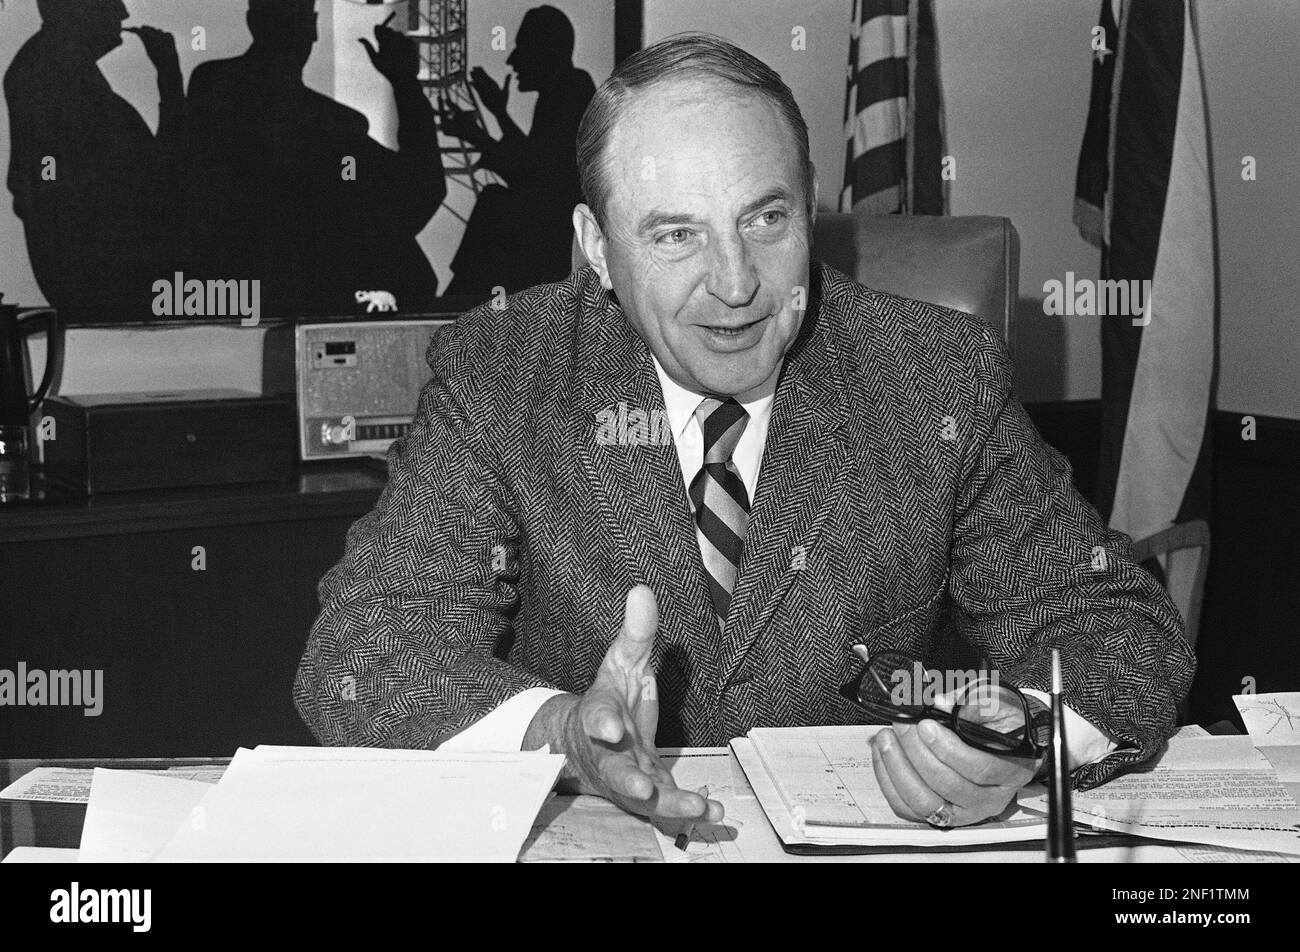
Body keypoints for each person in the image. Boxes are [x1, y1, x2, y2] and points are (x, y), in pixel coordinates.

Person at [295, 34, 1194, 831]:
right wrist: (560, 730)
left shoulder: (934, 377)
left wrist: (1019, 736)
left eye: (766, 219)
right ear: (597, 248)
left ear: (811, 208)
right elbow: (364, 653)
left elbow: (1116, 626)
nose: (736, 284)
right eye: (675, 234)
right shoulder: (506, 373)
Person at [182, 0, 444, 317]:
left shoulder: (212, 84)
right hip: (310, 292)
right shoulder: (333, 125)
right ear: (314, 29)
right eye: (292, 21)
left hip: (231, 293)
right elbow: (422, 190)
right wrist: (405, 83)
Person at [5, 0, 182, 317]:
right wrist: (169, 78)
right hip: (109, 275)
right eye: (110, 3)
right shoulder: (49, 78)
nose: (124, 13)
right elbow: (155, 173)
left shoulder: (54, 70)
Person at [438, 5, 595, 295]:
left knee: (494, 203)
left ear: (545, 51)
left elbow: (532, 176)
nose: (512, 59)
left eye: (522, 47)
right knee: (495, 201)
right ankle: (459, 296)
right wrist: (498, 113)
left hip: (552, 239)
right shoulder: (566, 89)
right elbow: (532, 163)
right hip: (554, 232)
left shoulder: (570, 90)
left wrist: (477, 131)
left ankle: (459, 296)